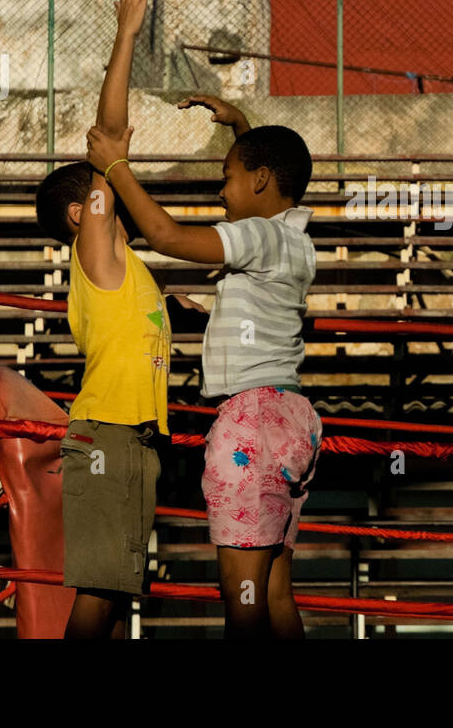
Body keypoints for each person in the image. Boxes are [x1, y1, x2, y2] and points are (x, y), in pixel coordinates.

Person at [85, 95, 320, 639]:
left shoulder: (257, 236)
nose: (220, 190)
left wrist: (115, 167)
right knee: (275, 594)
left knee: (240, 598)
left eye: (227, 175)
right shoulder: (296, 241)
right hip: (292, 418)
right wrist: (241, 129)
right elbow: (271, 172)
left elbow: (164, 236)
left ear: (260, 181)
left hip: (249, 424)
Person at [33, 0, 176, 638]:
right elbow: (109, 136)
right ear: (77, 212)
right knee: (99, 594)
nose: (116, 185)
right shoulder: (95, 247)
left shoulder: (131, 267)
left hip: (137, 441)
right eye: (100, 188)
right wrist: (125, 34)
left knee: (116, 593)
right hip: (105, 437)